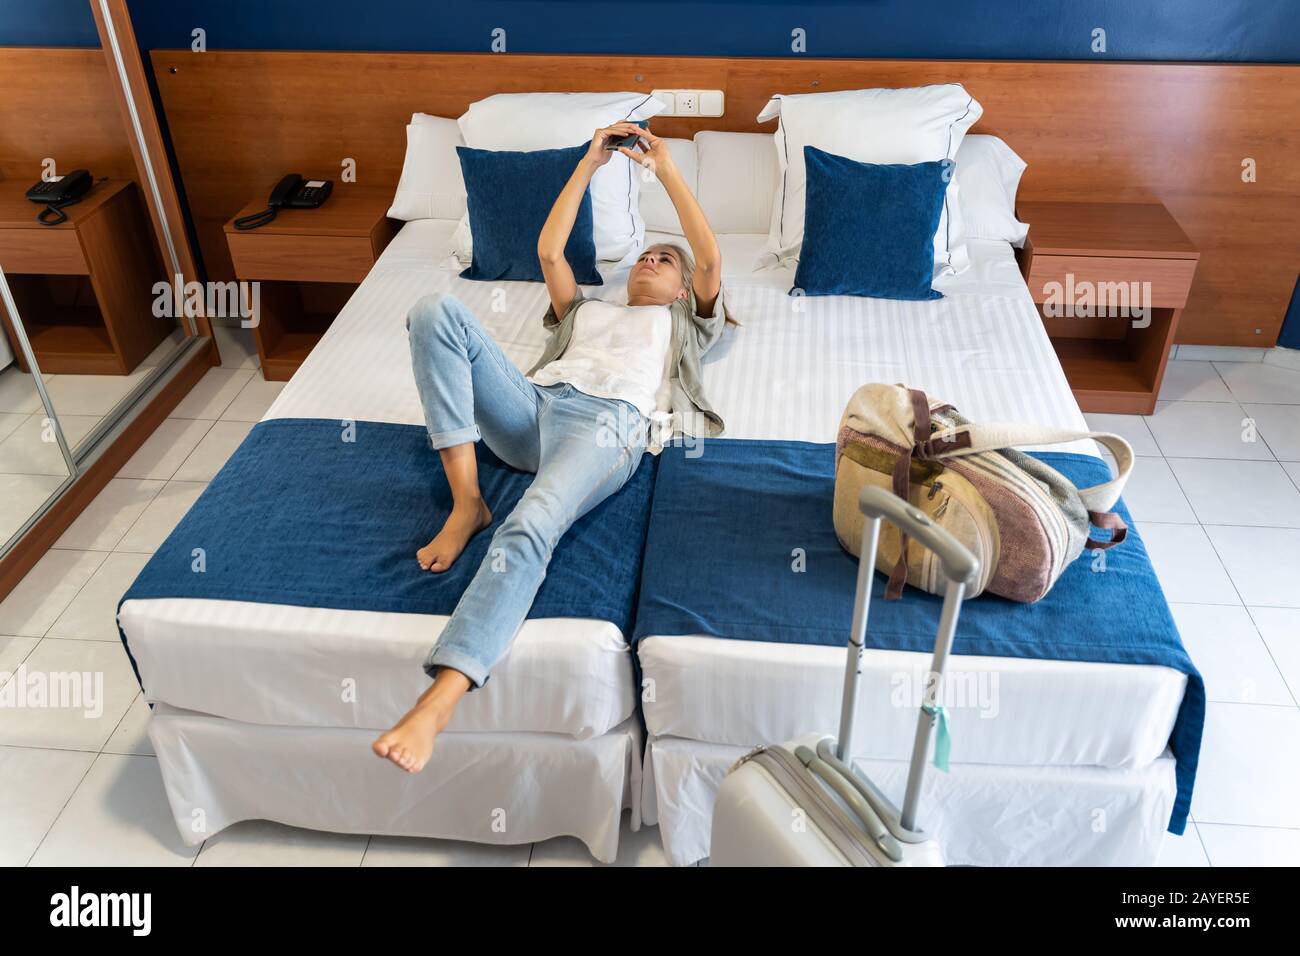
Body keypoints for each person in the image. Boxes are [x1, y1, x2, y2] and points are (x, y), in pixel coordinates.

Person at [373, 122, 730, 772]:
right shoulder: (584, 311)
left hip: (606, 425)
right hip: (535, 409)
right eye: (646, 255)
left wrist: (667, 171)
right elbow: (549, 253)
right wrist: (588, 164)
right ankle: (466, 502)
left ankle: (443, 695)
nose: (650, 260)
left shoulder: (683, 323)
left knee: (532, 524)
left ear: (683, 290)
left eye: (664, 260)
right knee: (433, 313)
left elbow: (709, 259)